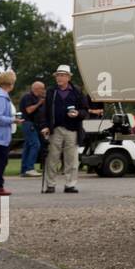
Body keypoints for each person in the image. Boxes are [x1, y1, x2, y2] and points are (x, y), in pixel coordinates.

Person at [37, 65, 99, 194]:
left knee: (72, 159)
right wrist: (44, 126)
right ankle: (50, 184)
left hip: (72, 129)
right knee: (52, 158)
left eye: (62, 75)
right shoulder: (51, 91)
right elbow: (44, 111)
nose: (59, 77)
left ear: (68, 77)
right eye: (58, 75)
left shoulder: (76, 91)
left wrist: (78, 113)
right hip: (55, 129)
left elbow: (85, 111)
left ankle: (70, 184)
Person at [18, 79, 46, 177]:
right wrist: (39, 103)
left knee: (28, 146)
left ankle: (24, 169)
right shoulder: (28, 97)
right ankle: (30, 168)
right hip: (28, 124)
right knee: (35, 144)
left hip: (34, 124)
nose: (43, 91)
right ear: (36, 89)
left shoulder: (37, 98)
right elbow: (29, 110)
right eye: (42, 89)